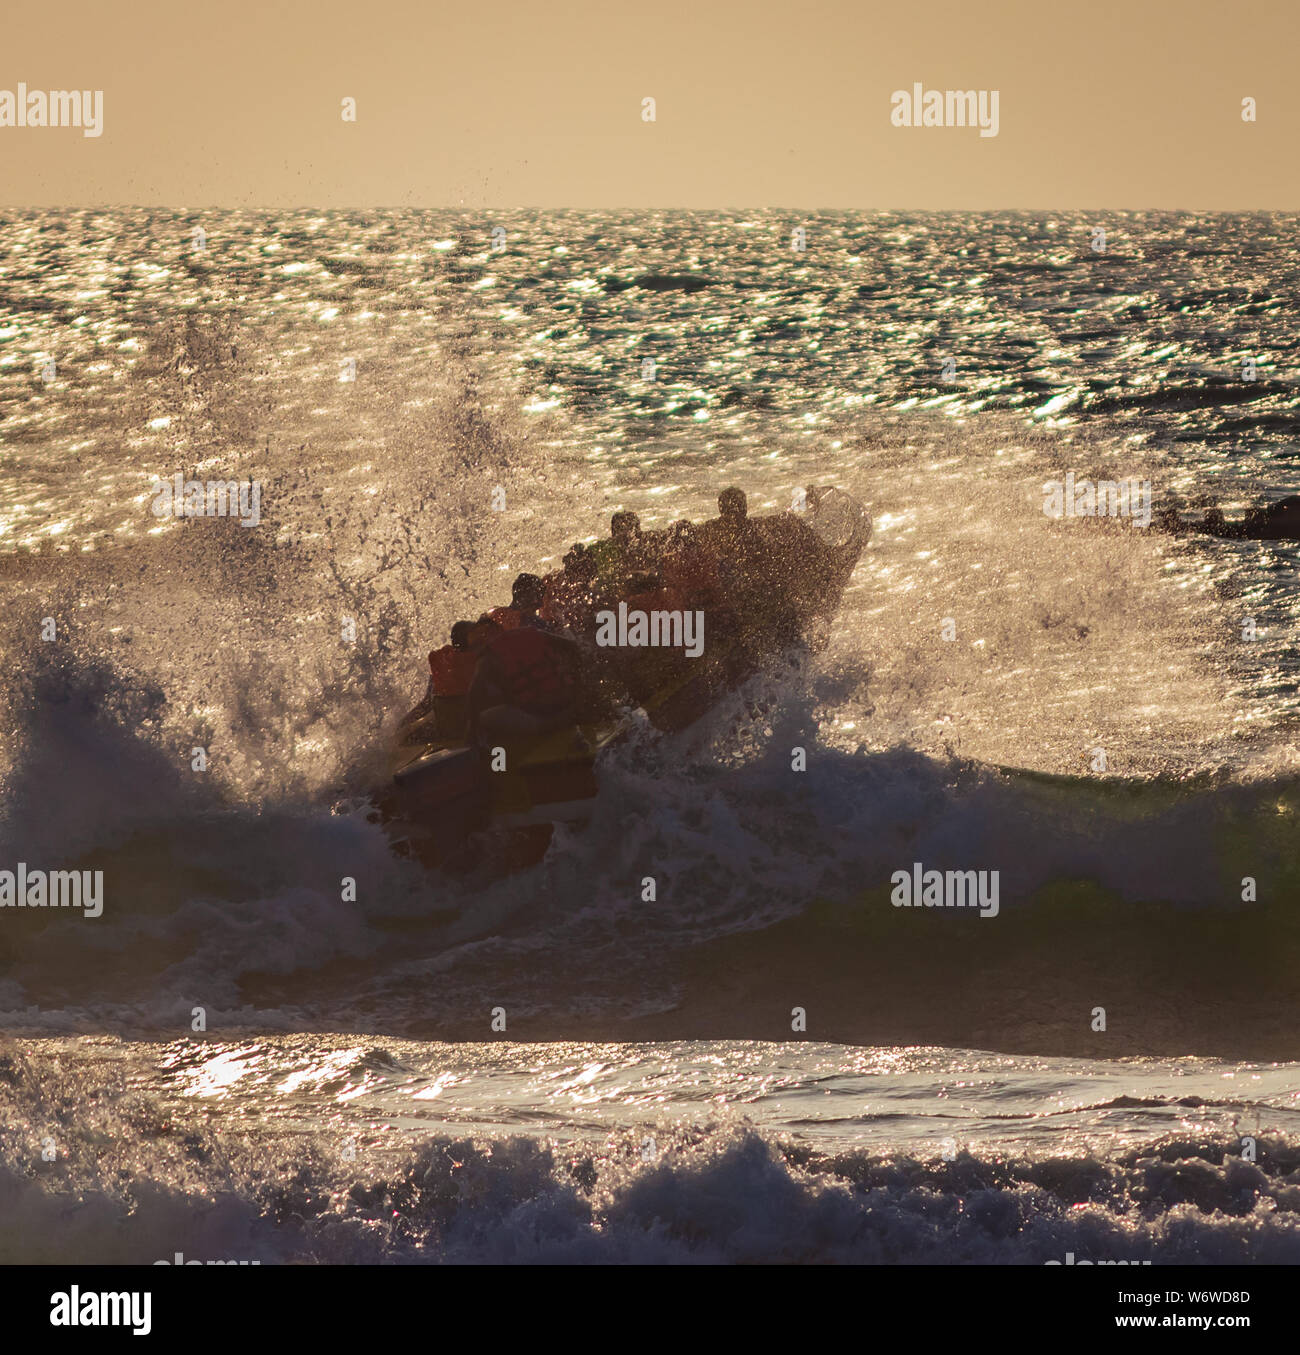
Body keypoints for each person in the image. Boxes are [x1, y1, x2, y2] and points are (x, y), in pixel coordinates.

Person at [467, 621, 587, 743]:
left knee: (482, 720)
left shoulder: (488, 657)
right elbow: (573, 647)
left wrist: (472, 728)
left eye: (475, 645)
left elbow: (474, 693)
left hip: (538, 721)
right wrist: (578, 685)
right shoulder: (533, 633)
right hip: (570, 710)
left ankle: (496, 753)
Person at [400, 618, 496, 742]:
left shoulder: (444, 662)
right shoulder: (482, 659)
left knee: (409, 735)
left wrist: (404, 723)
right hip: (473, 727)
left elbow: (426, 703)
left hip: (447, 728)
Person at [486, 573, 551, 630]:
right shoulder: (533, 623)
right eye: (540, 597)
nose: (541, 604)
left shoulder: (494, 614)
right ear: (528, 597)